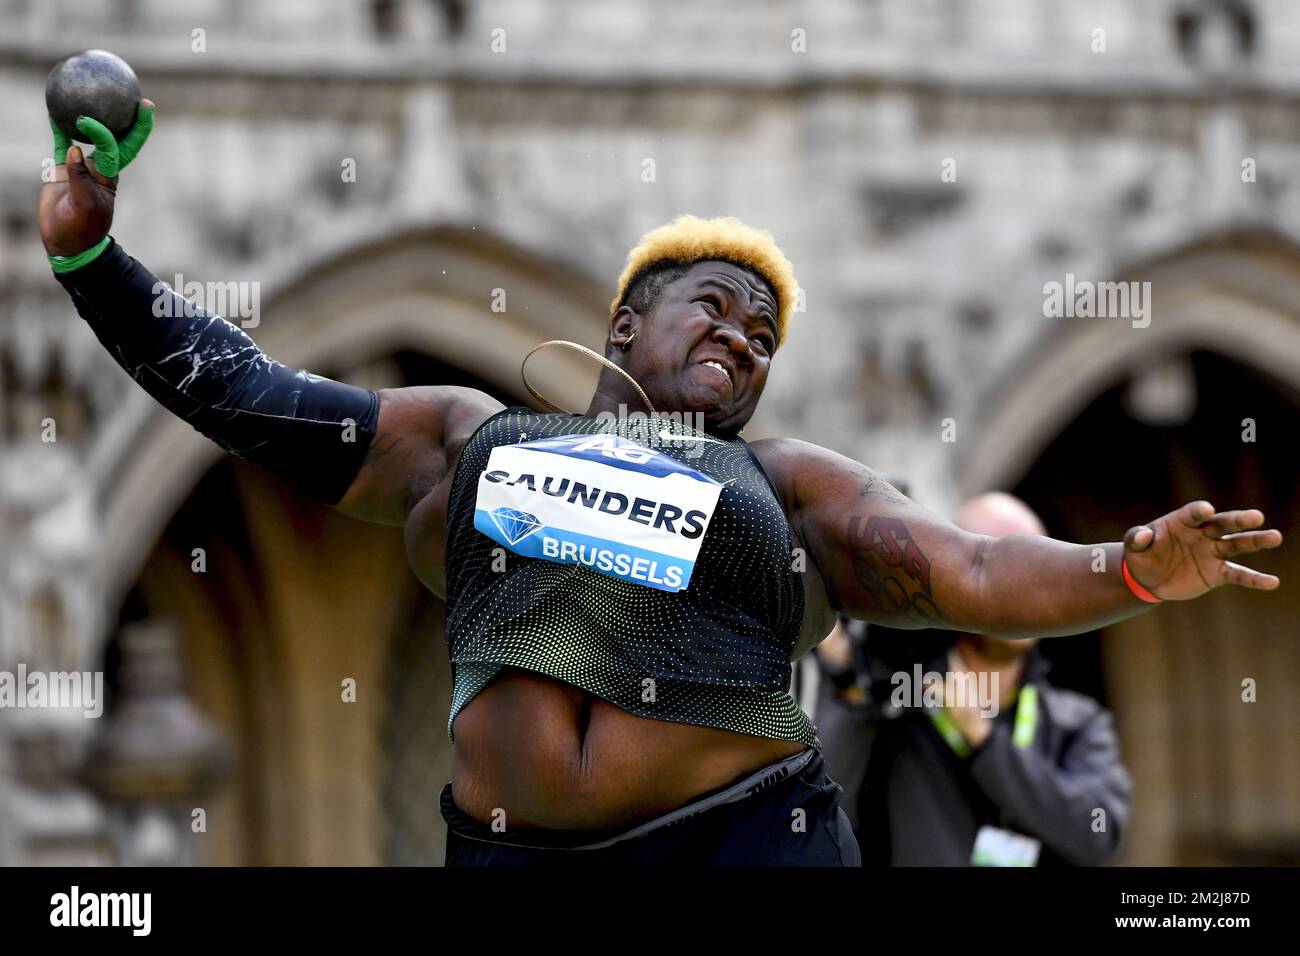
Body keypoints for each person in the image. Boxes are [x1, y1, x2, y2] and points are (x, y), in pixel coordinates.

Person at [37, 103, 1283, 866]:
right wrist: (91, 258)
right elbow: (251, 395)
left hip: (744, 846)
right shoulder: (468, 439)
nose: (744, 340)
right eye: (718, 309)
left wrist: (1125, 566)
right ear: (628, 321)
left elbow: (967, 572)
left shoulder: (789, 483)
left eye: (763, 343)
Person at [854, 493, 1133, 866]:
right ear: (951, 580)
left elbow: (1097, 837)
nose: (1021, 593)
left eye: (1040, 572)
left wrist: (983, 737)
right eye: (1000, 569)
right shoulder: (896, 695)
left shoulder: (1076, 721)